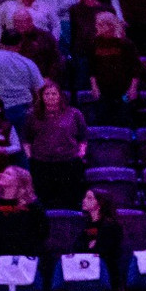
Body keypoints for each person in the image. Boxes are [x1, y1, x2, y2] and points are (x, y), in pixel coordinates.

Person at [24, 81, 86, 211]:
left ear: (60, 96)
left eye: (54, 94)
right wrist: (30, 157)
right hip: (41, 163)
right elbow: (26, 139)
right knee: (44, 200)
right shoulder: (32, 115)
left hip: (69, 162)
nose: (50, 97)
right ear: (41, 96)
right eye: (47, 94)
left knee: (69, 200)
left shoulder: (74, 113)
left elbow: (83, 137)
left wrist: (81, 153)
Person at [0, 164, 46, 257]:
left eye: (7, 174)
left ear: (19, 181)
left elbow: (41, 233)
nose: (0, 174)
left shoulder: (32, 205)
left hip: (24, 256)